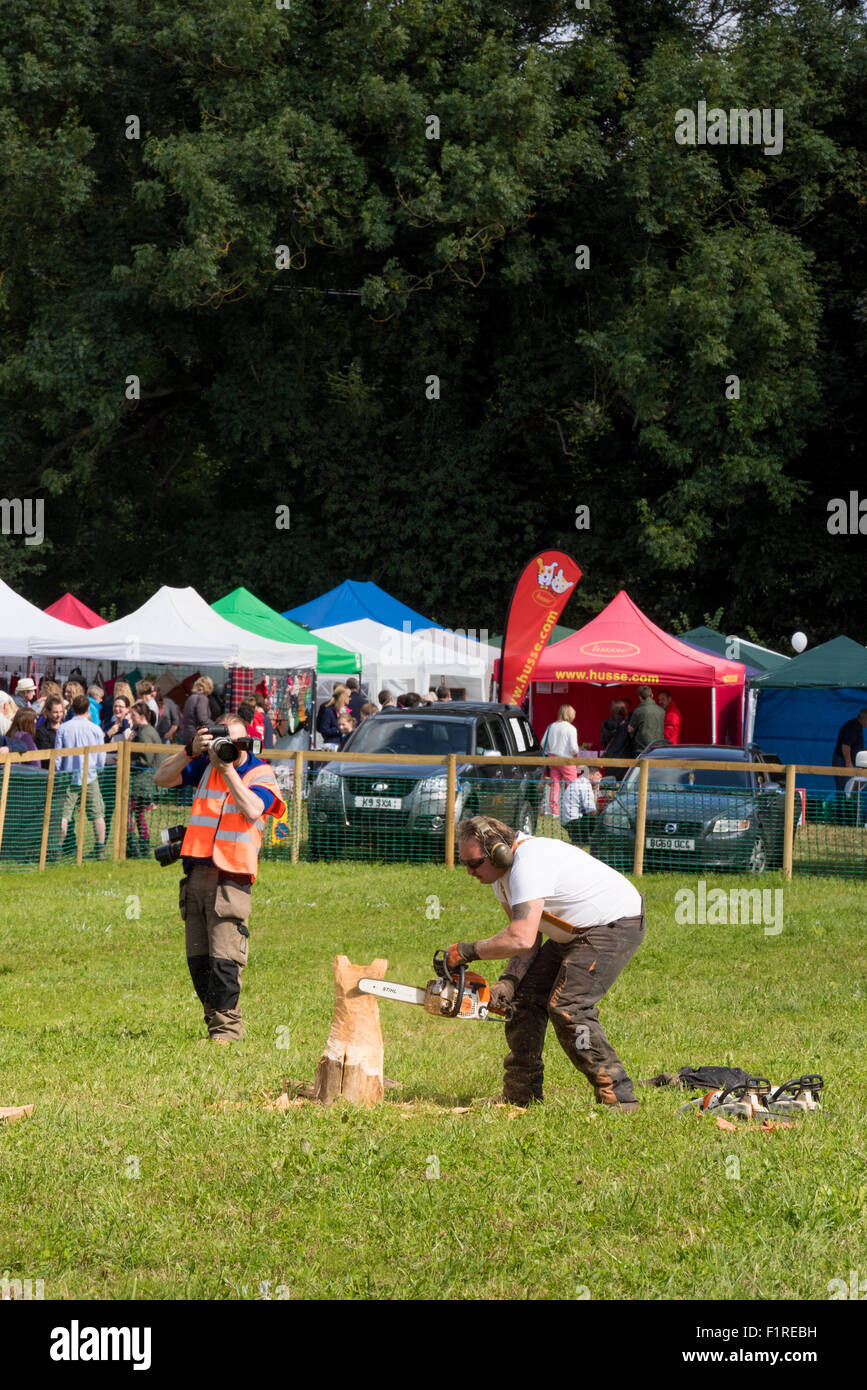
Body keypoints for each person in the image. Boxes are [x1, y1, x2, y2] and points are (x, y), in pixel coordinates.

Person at [446, 815, 645, 1110]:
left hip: (613, 924)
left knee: (568, 1007)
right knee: (524, 1000)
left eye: (474, 862)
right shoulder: (501, 878)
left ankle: (619, 1096)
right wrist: (511, 982)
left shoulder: (529, 864)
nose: (469, 871)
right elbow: (528, 936)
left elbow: (520, 938)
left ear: (499, 851)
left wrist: (467, 950)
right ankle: (520, 1094)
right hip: (573, 932)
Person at [154, 713, 286, 1042]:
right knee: (198, 961)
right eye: (223, 742)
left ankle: (228, 1034)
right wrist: (189, 751)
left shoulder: (260, 772)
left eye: (237, 742)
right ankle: (214, 1025)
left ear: (249, 742)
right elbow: (161, 778)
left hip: (232, 879)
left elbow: (254, 809)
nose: (230, 748)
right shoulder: (205, 764)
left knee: (225, 961)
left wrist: (228, 771)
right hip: (197, 874)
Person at [54, 694, 108, 857]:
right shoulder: (95, 729)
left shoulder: (63, 728)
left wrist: (58, 773)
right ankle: (100, 849)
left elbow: (58, 755)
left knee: (64, 815)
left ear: (73, 708)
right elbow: (101, 757)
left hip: (68, 777)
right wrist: (98, 770)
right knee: (98, 814)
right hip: (90, 776)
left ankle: (57, 849)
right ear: (87, 709)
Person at [126, 700, 162, 855]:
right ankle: (142, 847)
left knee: (127, 813)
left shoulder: (145, 732)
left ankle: (133, 846)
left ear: (141, 716)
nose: (131, 717)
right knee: (138, 814)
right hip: (144, 781)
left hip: (141, 781)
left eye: (133, 715)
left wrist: (125, 760)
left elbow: (145, 759)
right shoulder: (145, 730)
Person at [541, 705, 580, 817]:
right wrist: (576, 754)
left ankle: (554, 811)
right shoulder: (571, 728)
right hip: (566, 759)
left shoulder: (551, 726)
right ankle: (572, 809)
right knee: (572, 785)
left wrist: (550, 752)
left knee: (555, 785)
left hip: (552, 758)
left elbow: (543, 743)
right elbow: (573, 748)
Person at [559, 766, 598, 845]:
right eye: (597, 775)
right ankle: (587, 838)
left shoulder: (578, 782)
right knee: (601, 819)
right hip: (574, 821)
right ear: (590, 775)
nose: (600, 778)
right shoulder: (586, 785)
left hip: (566, 820)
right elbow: (592, 811)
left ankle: (580, 838)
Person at [627, 685, 665, 753]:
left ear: (640, 698)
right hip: (659, 748)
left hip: (643, 750)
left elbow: (631, 733)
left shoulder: (637, 711)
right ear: (652, 695)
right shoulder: (662, 711)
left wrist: (630, 730)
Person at [181, 677, 214, 745]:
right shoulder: (202, 698)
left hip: (187, 734)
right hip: (196, 736)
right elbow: (202, 719)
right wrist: (216, 725)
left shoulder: (191, 697)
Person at [35, 694, 65, 766]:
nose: (59, 715)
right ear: (47, 712)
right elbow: (46, 753)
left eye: (61, 712)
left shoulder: (66, 727)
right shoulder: (41, 731)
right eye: (55, 712)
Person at [315, 685, 348, 749]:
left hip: (341, 743)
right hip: (331, 745)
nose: (349, 698)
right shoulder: (329, 711)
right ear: (343, 698)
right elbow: (323, 729)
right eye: (348, 697)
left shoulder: (343, 710)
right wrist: (339, 730)